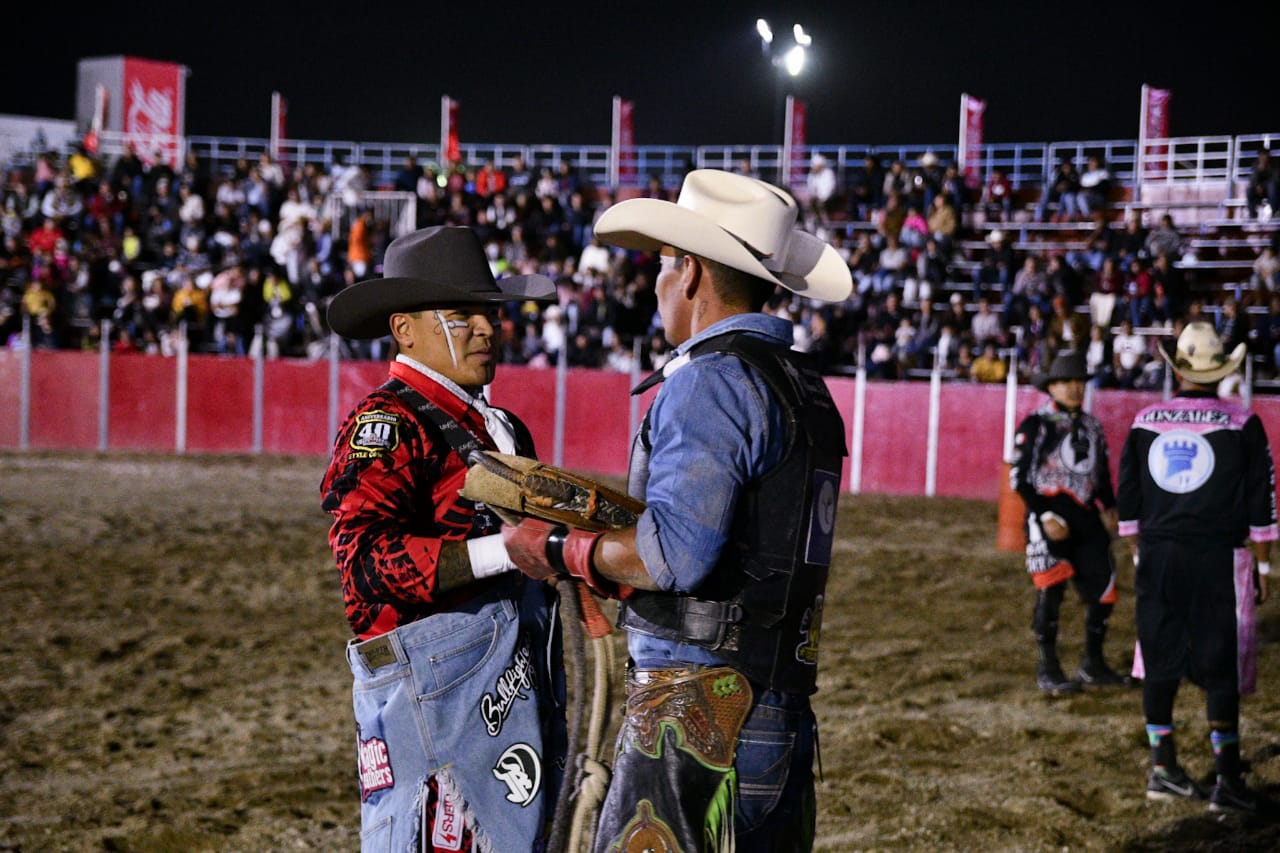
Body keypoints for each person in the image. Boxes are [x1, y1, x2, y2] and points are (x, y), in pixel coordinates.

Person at [499, 169, 853, 851]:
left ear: (689, 272)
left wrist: (562, 550)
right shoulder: (804, 388)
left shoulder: (712, 382)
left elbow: (674, 556)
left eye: (664, 264)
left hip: (696, 712)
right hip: (778, 704)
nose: (658, 282)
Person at [319, 225, 566, 851]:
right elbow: (364, 565)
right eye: (462, 316)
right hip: (433, 697)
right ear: (405, 330)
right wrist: (504, 551)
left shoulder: (499, 426)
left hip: (505, 685)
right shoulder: (386, 423)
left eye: (490, 314)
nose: (486, 329)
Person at [1117, 321, 1277, 812]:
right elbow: (1262, 502)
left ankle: (1163, 766)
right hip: (1217, 555)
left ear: (1178, 369)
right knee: (1220, 664)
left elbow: (1128, 500)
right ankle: (1226, 777)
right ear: (1221, 371)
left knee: (1159, 656)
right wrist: (1264, 569)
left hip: (1159, 553)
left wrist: (1140, 553)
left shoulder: (1145, 421)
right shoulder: (1242, 423)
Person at [1011, 351, 1128, 695]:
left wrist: (1110, 505)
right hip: (1048, 516)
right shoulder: (1036, 424)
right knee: (1051, 591)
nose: (1074, 388)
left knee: (1103, 587)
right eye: (1066, 382)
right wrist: (1045, 515)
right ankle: (1047, 668)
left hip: (1084, 515)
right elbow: (1020, 479)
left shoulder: (1092, 426)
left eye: (1079, 381)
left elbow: (1100, 474)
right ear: (1051, 387)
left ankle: (1092, 664)